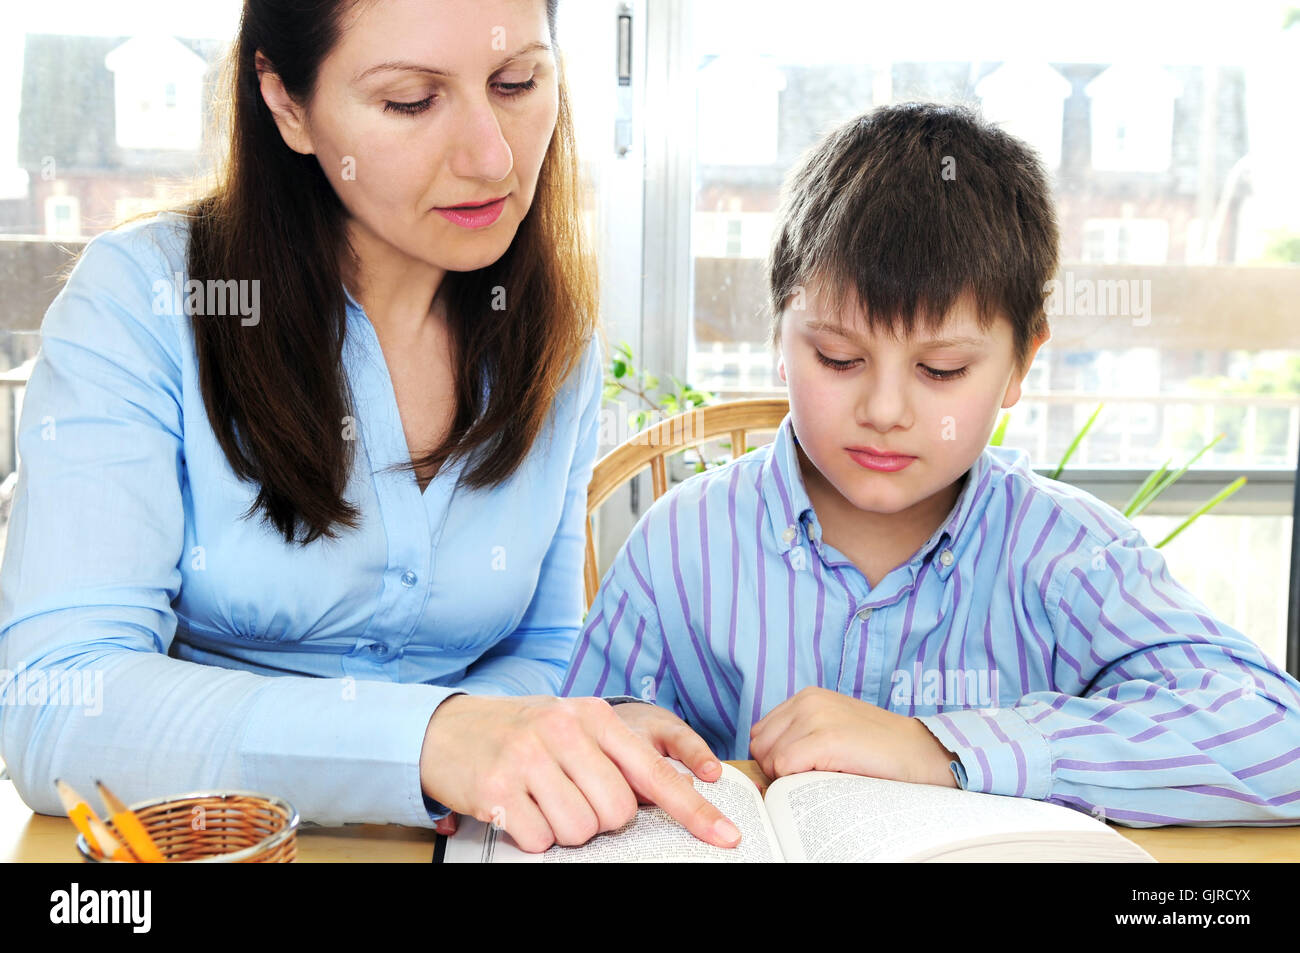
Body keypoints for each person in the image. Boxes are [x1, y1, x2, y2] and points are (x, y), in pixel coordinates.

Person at [0, 0, 741, 855]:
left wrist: (527, 740)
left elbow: (545, 645)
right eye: (410, 101)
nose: (492, 157)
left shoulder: (552, 339)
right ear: (286, 103)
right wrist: (429, 740)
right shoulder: (145, 303)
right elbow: (56, 699)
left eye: (517, 82)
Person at [563, 102, 1300, 825]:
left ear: (1020, 364)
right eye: (838, 357)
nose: (886, 409)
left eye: (941, 369)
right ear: (779, 337)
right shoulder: (679, 546)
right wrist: (615, 731)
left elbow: (1277, 733)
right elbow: (578, 733)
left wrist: (942, 747)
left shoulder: (1070, 555)